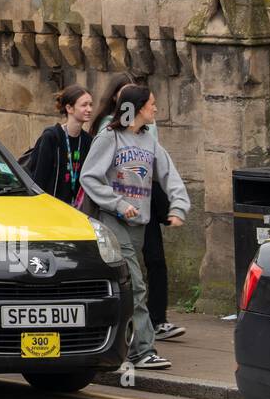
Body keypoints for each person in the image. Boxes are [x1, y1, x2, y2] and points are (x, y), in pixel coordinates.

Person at [80, 85, 190, 370]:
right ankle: (142, 351)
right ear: (138, 107)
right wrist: (117, 203)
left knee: (125, 287)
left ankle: (111, 343)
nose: (156, 108)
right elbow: (89, 178)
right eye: (152, 104)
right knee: (137, 285)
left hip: (138, 226)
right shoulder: (109, 138)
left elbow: (171, 176)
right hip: (112, 222)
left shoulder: (149, 142)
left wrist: (178, 207)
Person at [25, 85, 93, 205]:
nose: (89, 109)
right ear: (69, 108)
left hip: (75, 210)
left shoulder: (87, 140)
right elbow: (39, 178)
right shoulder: (51, 137)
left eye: (90, 105)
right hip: (50, 208)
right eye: (84, 105)